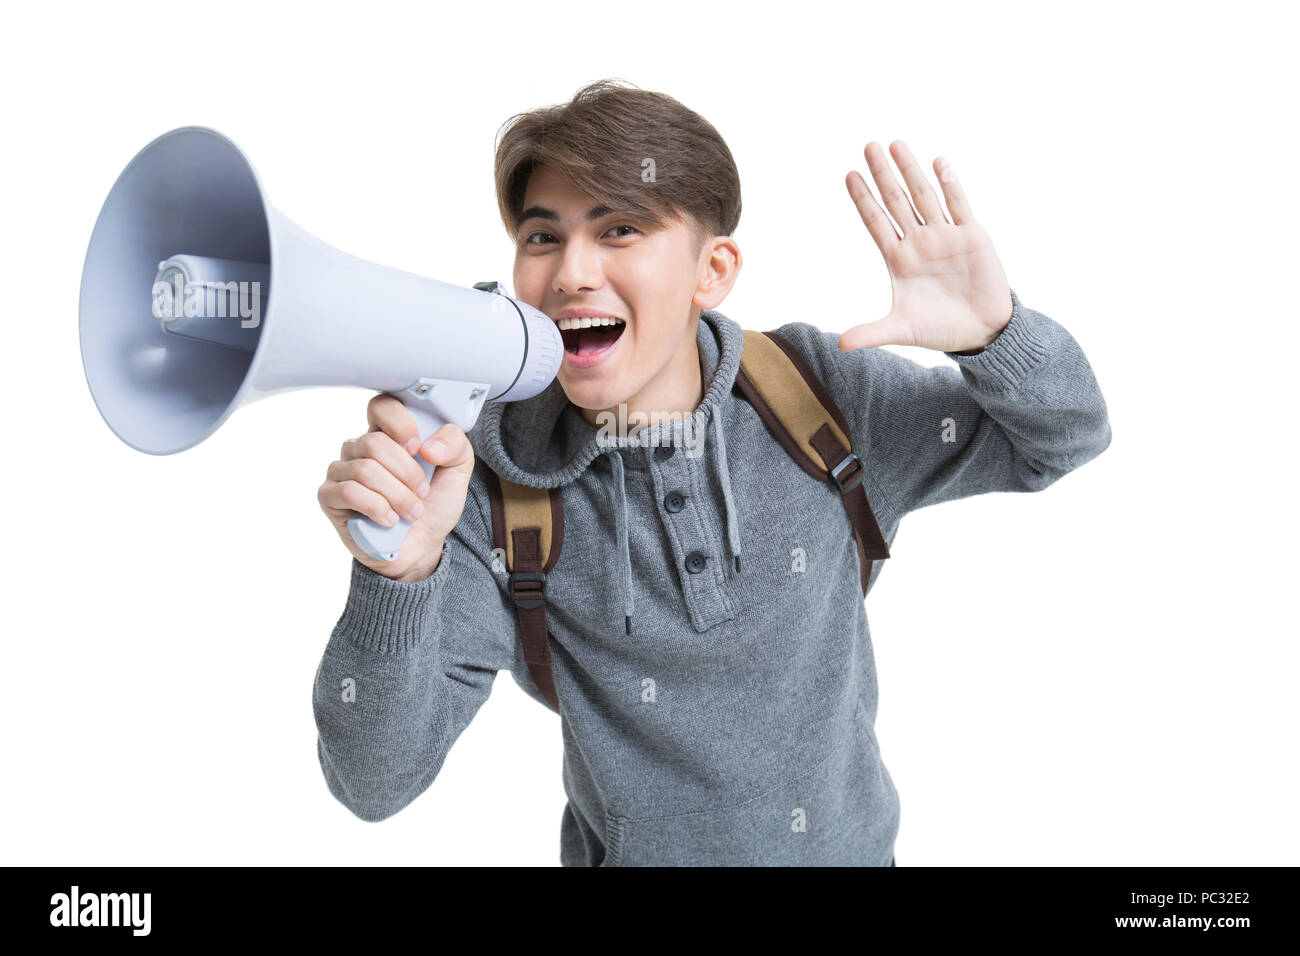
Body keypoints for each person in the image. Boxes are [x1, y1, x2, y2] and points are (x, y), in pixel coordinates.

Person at [312, 79, 1112, 866]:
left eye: (620, 229)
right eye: (542, 237)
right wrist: (399, 575)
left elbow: (1064, 437)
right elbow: (373, 784)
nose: (570, 274)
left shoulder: (822, 393)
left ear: (713, 270)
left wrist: (994, 335)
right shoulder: (488, 485)